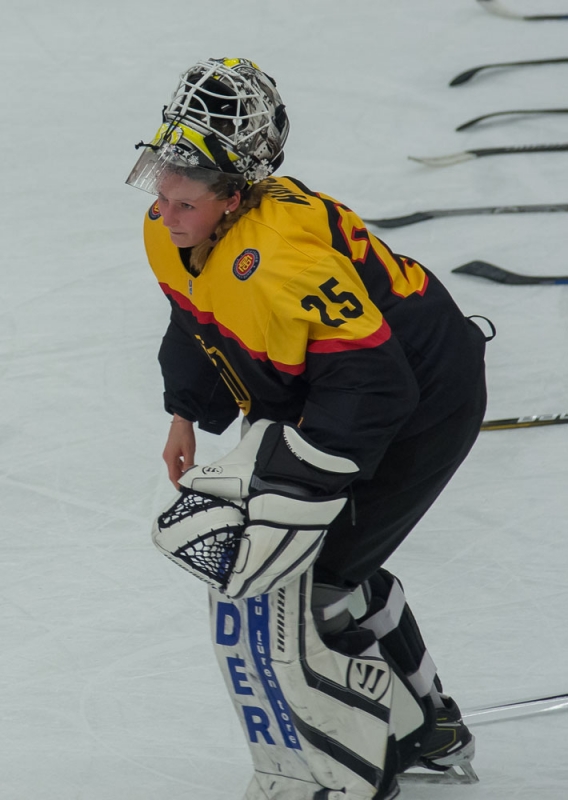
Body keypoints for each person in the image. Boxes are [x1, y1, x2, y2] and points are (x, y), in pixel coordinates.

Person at [127, 57, 490, 800]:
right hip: (334, 389)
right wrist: (185, 412)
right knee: (322, 571)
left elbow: (376, 385)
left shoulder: (280, 260)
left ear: (231, 199)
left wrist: (303, 480)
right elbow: (195, 316)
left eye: (183, 198)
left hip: (424, 399)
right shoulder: (172, 230)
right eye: (156, 185)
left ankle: (399, 739)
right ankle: (428, 726)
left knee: (321, 578)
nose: (163, 211)